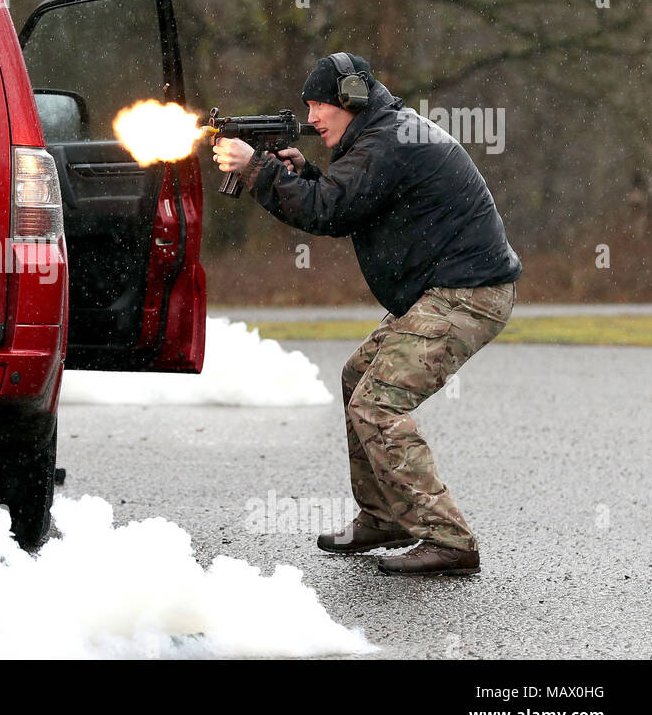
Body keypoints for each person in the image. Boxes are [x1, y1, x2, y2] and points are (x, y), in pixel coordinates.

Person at [212, 52, 522, 576]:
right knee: (358, 378)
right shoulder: (383, 136)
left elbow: (327, 211)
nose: (311, 119)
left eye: (319, 106)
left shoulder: (389, 141)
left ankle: (448, 539)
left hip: (467, 294)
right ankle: (384, 516)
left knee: (378, 403)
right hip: (443, 290)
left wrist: (259, 168)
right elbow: (346, 198)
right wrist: (300, 171)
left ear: (351, 99)